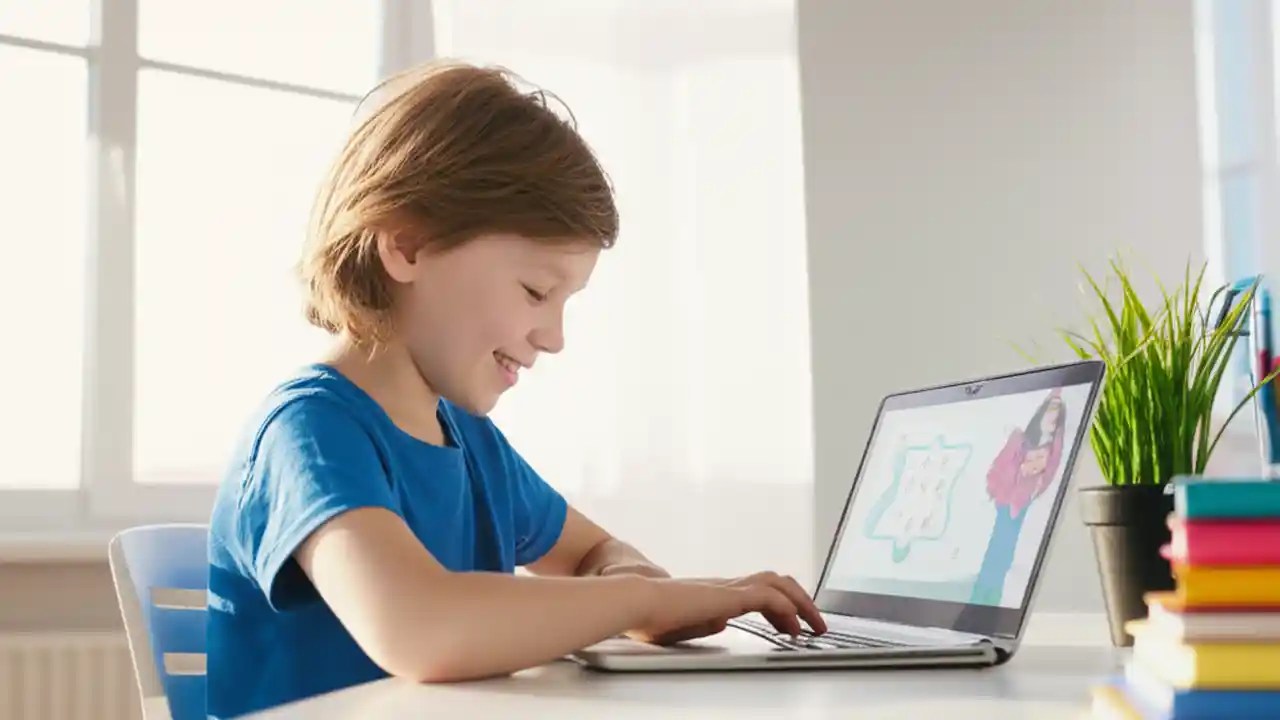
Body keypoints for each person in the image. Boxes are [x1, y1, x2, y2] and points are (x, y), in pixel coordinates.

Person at [205, 60, 825, 719]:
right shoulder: (307, 435)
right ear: (408, 245)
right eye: (536, 292)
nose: (554, 337)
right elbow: (419, 627)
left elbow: (593, 551)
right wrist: (642, 602)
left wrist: (624, 584)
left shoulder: (472, 444)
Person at [969, 390, 1066, 606]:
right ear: (1042, 412)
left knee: (1007, 551)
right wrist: (1020, 470)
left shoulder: (1054, 447)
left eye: (1058, 413)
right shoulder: (1021, 438)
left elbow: (1049, 473)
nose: (1053, 417)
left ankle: (991, 597)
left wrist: (1036, 478)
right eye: (1050, 410)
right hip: (1007, 500)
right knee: (997, 548)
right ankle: (981, 596)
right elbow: (999, 466)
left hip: (1025, 503)